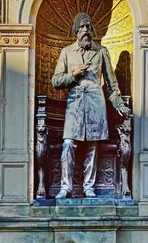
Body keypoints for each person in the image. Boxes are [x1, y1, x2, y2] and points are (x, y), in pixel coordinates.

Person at [50, 12, 129, 198]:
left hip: (95, 105)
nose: (86, 30)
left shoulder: (101, 52)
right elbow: (56, 81)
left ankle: (89, 186)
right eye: (82, 27)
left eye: (88, 27)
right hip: (75, 106)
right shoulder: (66, 52)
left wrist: (119, 104)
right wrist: (73, 75)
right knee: (68, 144)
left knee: (92, 147)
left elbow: (112, 84)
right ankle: (65, 187)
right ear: (76, 31)